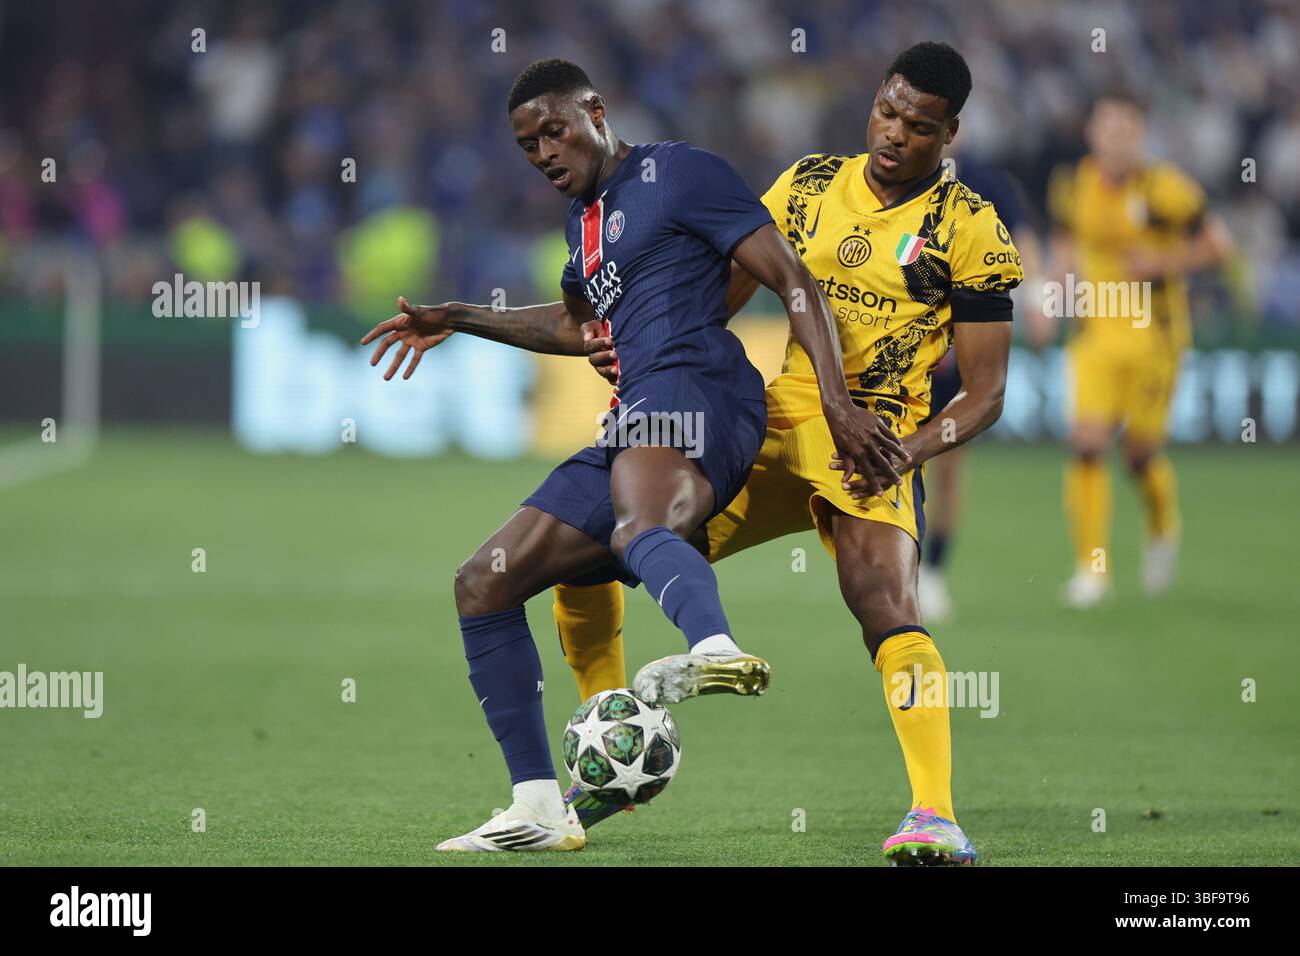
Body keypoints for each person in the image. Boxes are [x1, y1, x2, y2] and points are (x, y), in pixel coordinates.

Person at [361, 58, 906, 852]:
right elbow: (576, 328)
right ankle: (540, 806)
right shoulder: (583, 232)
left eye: (554, 130)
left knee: (635, 521)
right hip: (635, 411)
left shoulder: (678, 172)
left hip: (704, 390)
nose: (544, 151)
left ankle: (714, 647)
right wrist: (462, 316)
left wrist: (836, 401)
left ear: (596, 111)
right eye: (526, 145)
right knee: (484, 581)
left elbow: (790, 278)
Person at [559, 42, 1022, 864]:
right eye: (885, 110)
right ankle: (611, 765)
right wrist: (637, 348)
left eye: (918, 126)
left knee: (883, 598)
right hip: (774, 418)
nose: (892, 134)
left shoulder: (970, 230)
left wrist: (907, 452)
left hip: (874, 438)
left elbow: (984, 395)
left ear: (949, 133)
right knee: (601, 551)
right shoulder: (807, 185)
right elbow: (718, 298)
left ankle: (935, 815)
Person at [1050, 91, 1232, 608]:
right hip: (1095, 338)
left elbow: (1219, 245)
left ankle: (1161, 527)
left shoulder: (1166, 189)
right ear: (1092, 133)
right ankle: (1091, 569)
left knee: (1139, 456)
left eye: (1126, 129)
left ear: (1139, 135)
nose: (1116, 138)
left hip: (1156, 341)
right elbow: (1066, 247)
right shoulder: (1074, 185)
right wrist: (1049, 302)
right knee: (1086, 445)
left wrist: (1163, 262)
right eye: (1107, 127)